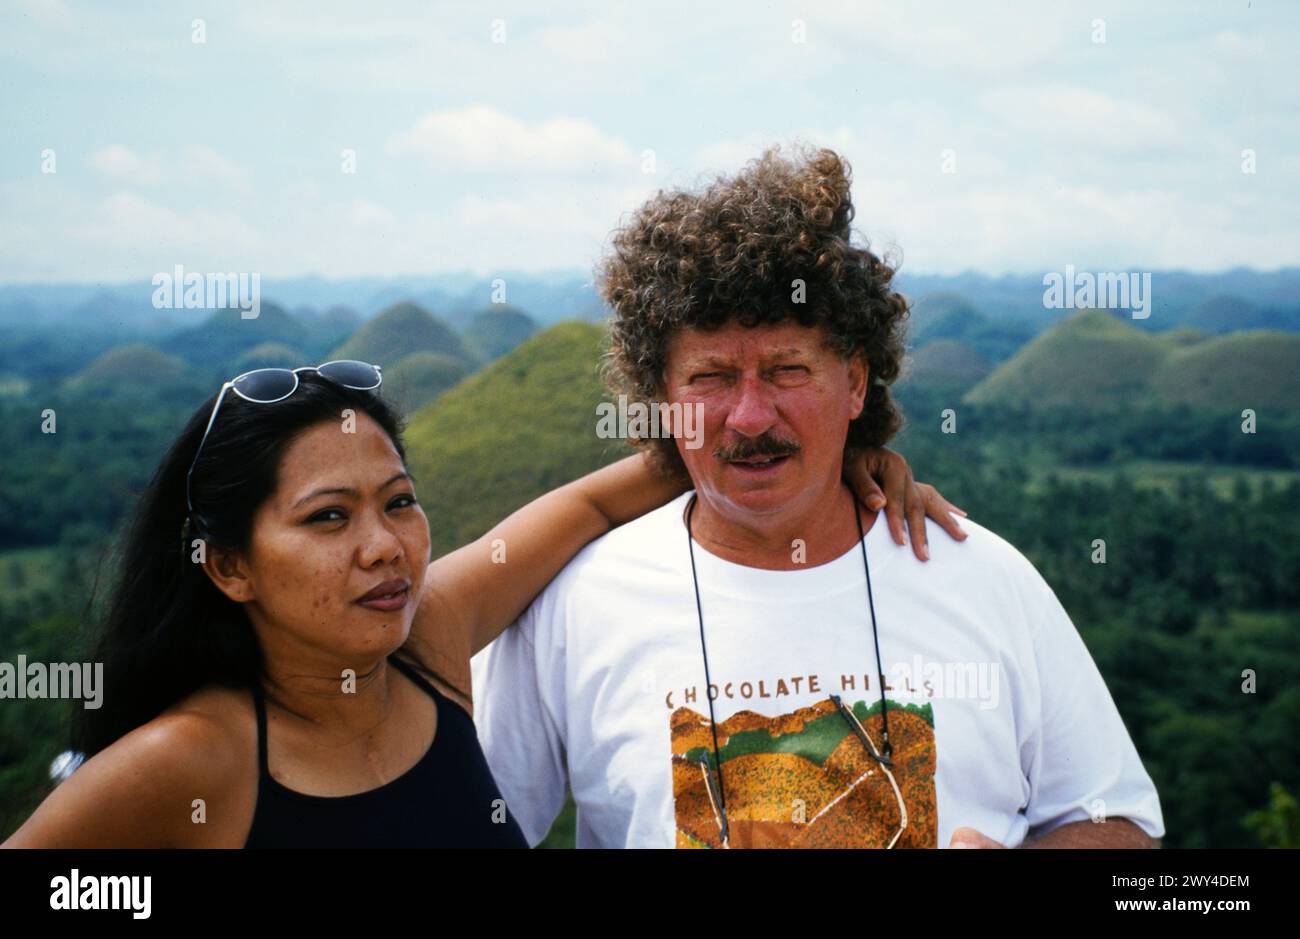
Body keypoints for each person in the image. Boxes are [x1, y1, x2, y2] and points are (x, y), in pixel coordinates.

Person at [470, 144, 1167, 849]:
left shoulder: (983, 576)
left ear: (857, 382)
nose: (750, 416)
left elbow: (1116, 819)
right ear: (660, 401)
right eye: (710, 378)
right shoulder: (575, 606)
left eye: (788, 369)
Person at [2, 357, 955, 847]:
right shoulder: (192, 759)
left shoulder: (429, 640)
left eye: (400, 502)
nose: (385, 545)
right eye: (327, 518)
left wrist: (832, 461)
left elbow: (602, 495)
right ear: (229, 566)